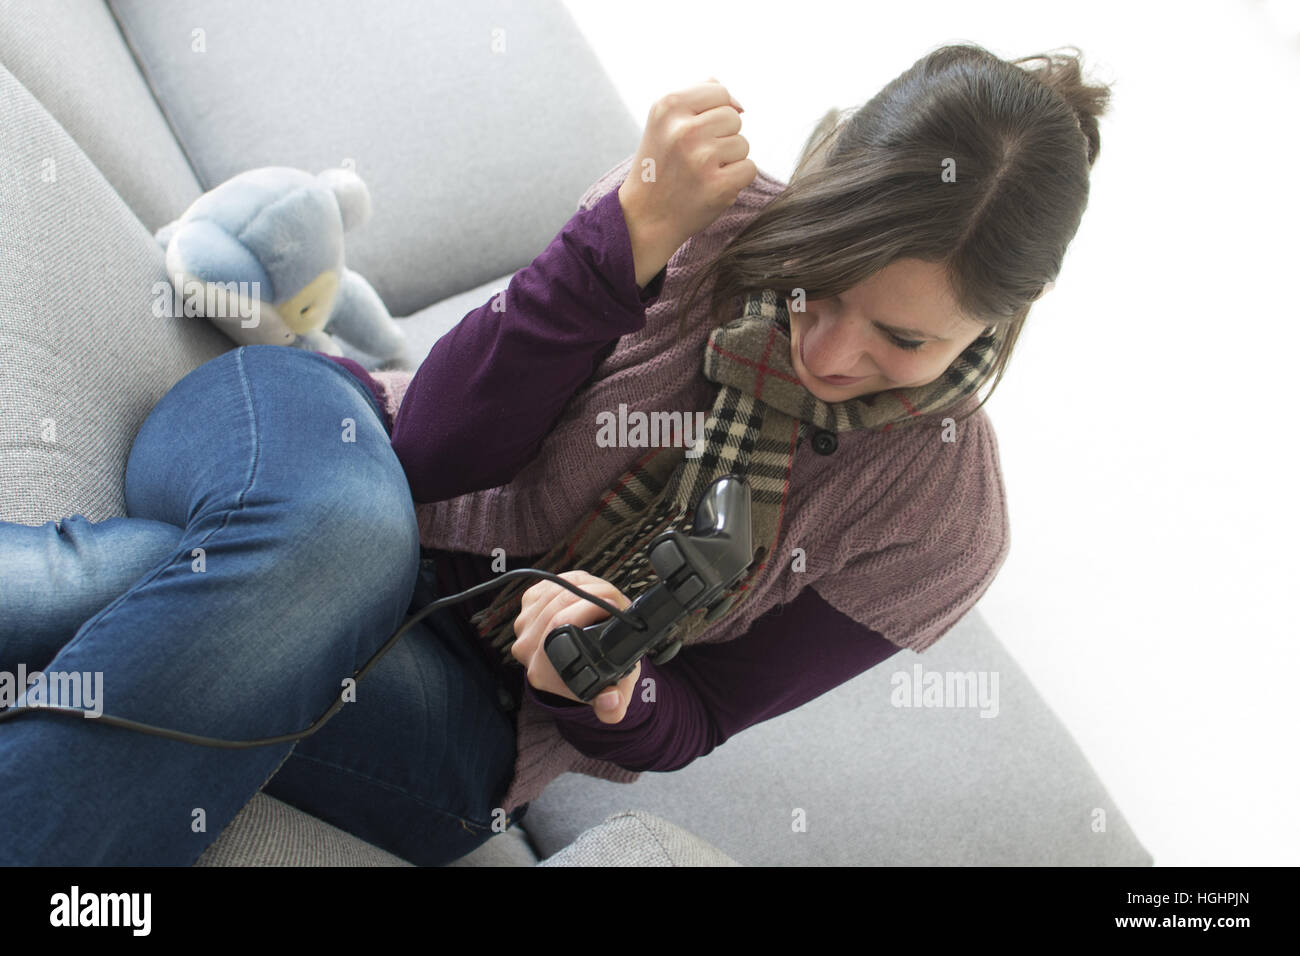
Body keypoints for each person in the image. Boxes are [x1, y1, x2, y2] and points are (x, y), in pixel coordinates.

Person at [0, 43, 1112, 866]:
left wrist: (612, 688)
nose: (827, 348)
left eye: (900, 338)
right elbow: (432, 450)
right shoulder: (698, 220)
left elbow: (701, 714)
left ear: (1012, 314)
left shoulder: (941, 525)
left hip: (460, 724)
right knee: (352, 539)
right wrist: (621, 237)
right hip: (323, 450)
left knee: (207, 589)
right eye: (819, 287)